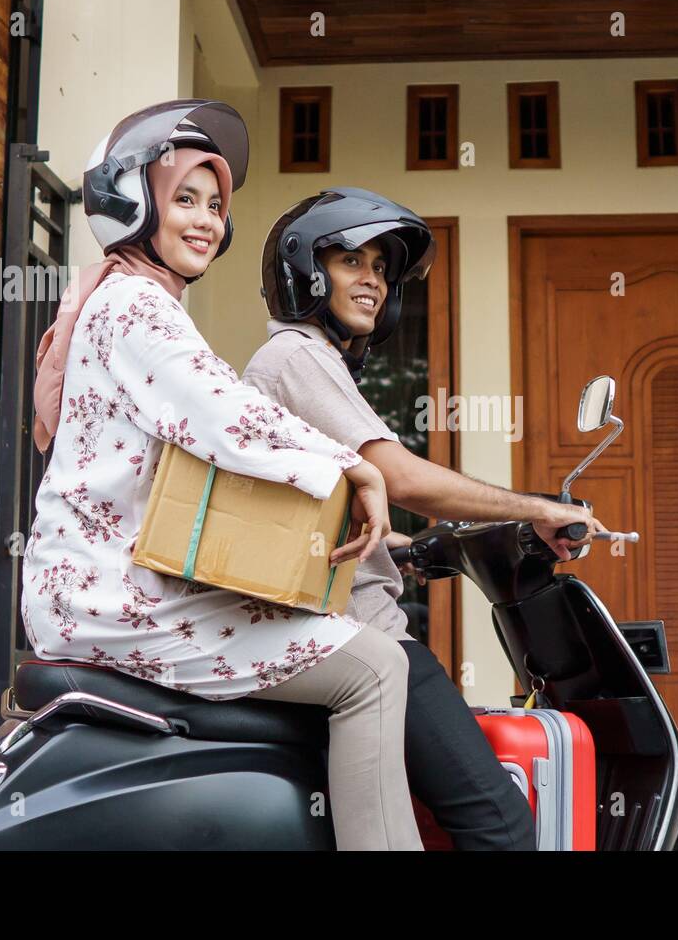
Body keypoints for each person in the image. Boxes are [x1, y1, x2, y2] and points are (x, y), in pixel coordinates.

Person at [20, 104, 422, 850]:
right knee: (371, 666)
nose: (206, 220)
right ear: (135, 204)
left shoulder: (122, 299)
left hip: (98, 590)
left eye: (215, 205)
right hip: (112, 600)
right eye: (184, 200)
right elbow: (221, 413)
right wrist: (352, 464)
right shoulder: (138, 306)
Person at [242, 187, 606, 850]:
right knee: (499, 821)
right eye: (353, 261)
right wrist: (540, 508)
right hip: (363, 636)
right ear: (309, 270)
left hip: (333, 623)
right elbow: (401, 476)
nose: (373, 281)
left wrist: (403, 551)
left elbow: (328, 495)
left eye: (382, 269)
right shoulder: (298, 356)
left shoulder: (306, 364)